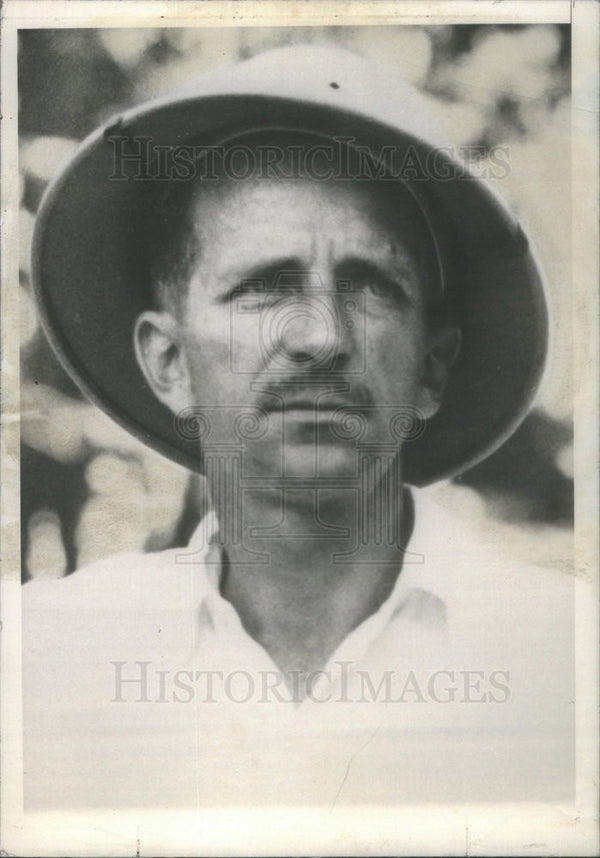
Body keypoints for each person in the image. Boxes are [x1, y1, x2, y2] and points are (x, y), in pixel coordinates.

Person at [23, 44, 573, 810]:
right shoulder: (42, 660)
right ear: (169, 361)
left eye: (371, 286)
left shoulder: (569, 662)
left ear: (432, 368)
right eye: (263, 285)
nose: (321, 335)